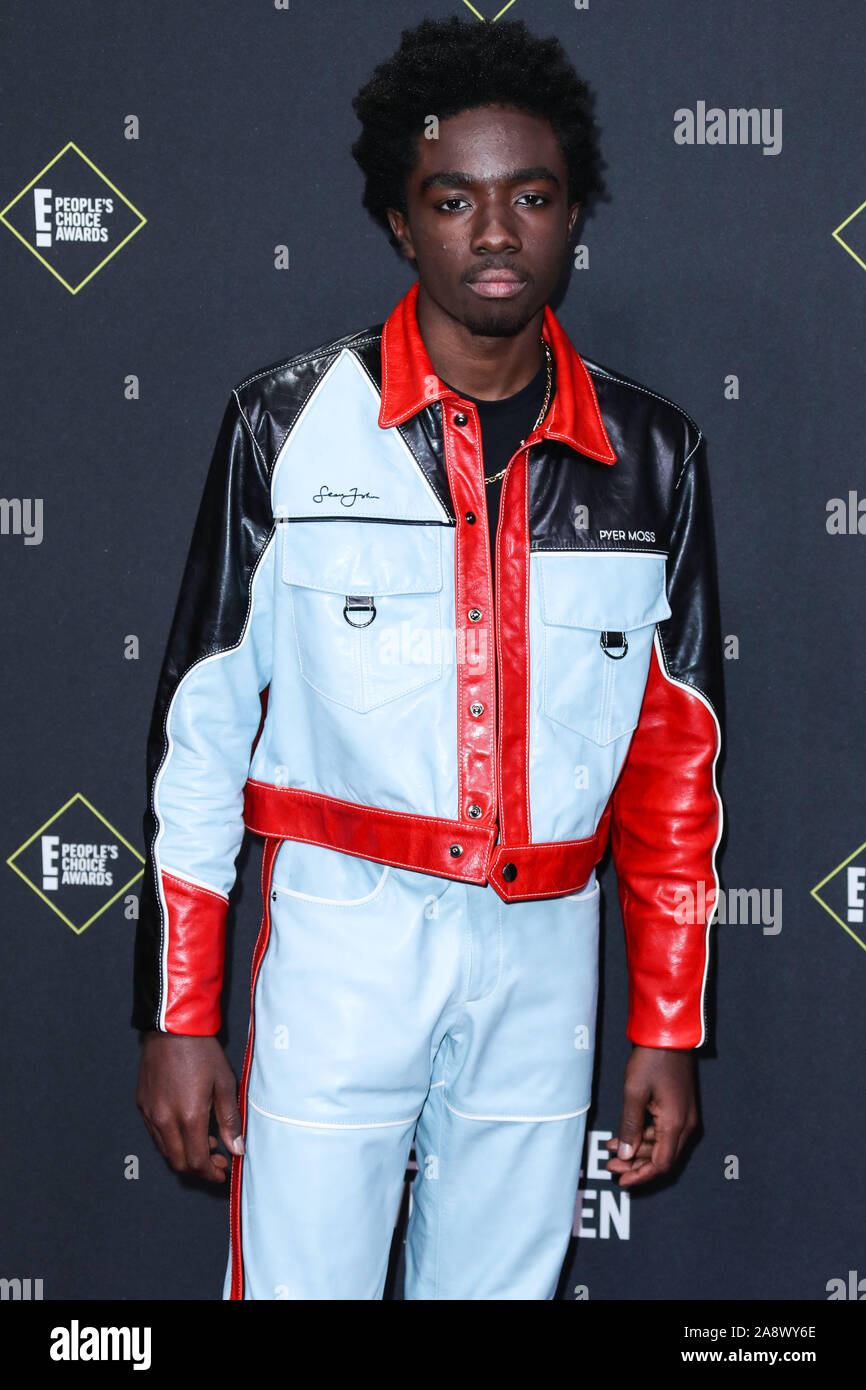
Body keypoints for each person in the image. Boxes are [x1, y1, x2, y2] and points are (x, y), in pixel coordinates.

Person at [132, 15, 724, 1300]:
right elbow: (200, 739)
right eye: (453, 199)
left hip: (545, 951)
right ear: (402, 224)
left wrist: (666, 1023)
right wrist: (179, 1018)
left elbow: (676, 772)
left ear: (576, 217)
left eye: (531, 197)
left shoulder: (654, 454)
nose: (495, 233)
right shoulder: (283, 428)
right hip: (344, 939)